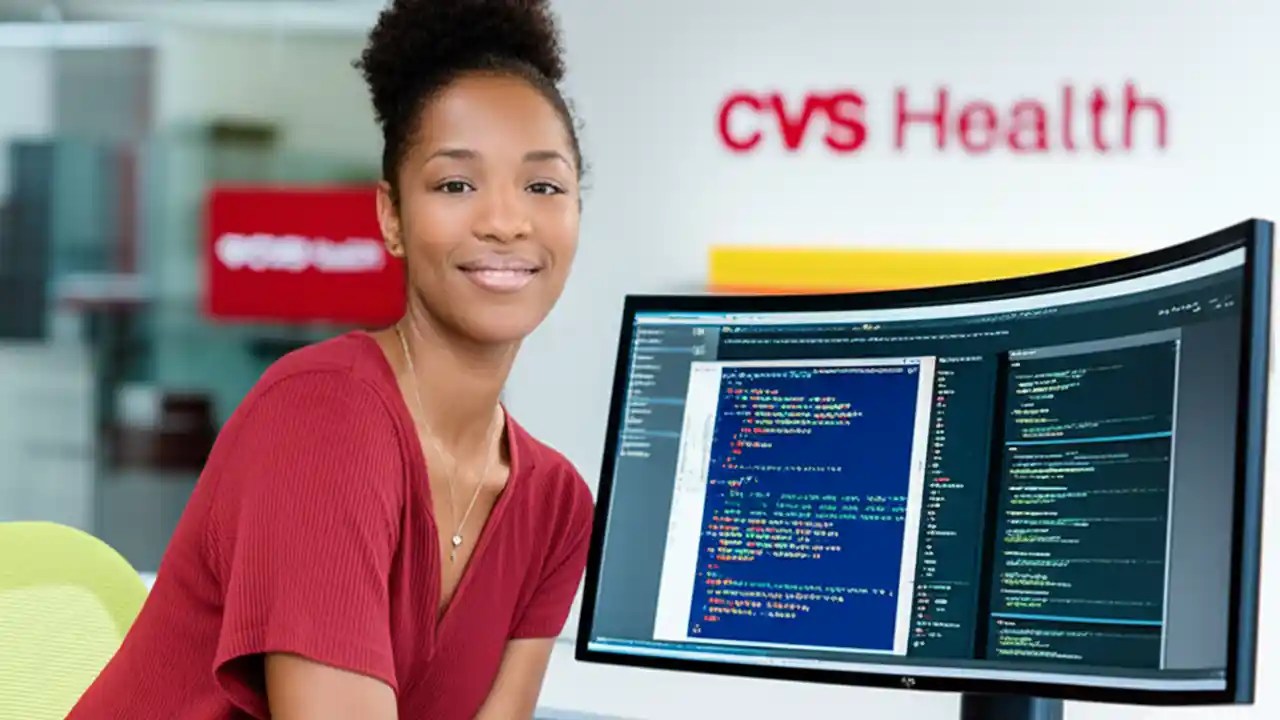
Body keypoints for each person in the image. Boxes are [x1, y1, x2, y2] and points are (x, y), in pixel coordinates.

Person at [66, 0, 594, 718]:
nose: (505, 220)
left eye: (543, 186)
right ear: (391, 217)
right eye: (455, 185)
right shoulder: (324, 417)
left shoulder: (557, 508)